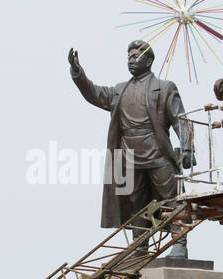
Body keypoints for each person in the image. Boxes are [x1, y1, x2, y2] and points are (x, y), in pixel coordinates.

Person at [68, 40, 195, 258]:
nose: (131, 60)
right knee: (136, 204)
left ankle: (179, 243)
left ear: (149, 60)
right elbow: (94, 94)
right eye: (128, 57)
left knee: (172, 199)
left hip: (157, 154)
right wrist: (78, 73)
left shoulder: (165, 88)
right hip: (129, 157)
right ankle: (140, 246)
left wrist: (187, 149)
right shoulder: (119, 91)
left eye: (136, 56)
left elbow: (181, 120)